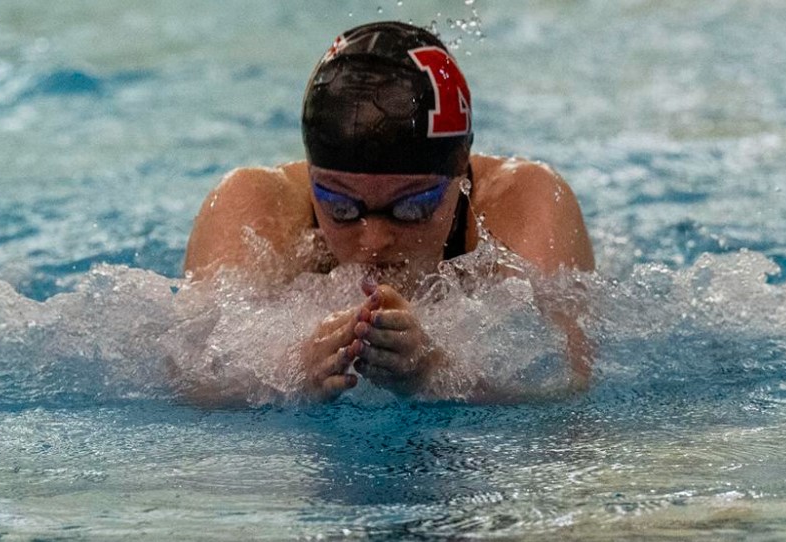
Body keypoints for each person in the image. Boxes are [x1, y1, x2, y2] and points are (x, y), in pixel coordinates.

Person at [183, 21, 595, 403]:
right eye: (341, 208)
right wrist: (291, 370)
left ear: (460, 172)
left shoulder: (521, 199)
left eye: (412, 207)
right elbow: (189, 374)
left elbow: (567, 380)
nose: (374, 240)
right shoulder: (256, 204)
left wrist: (436, 371)